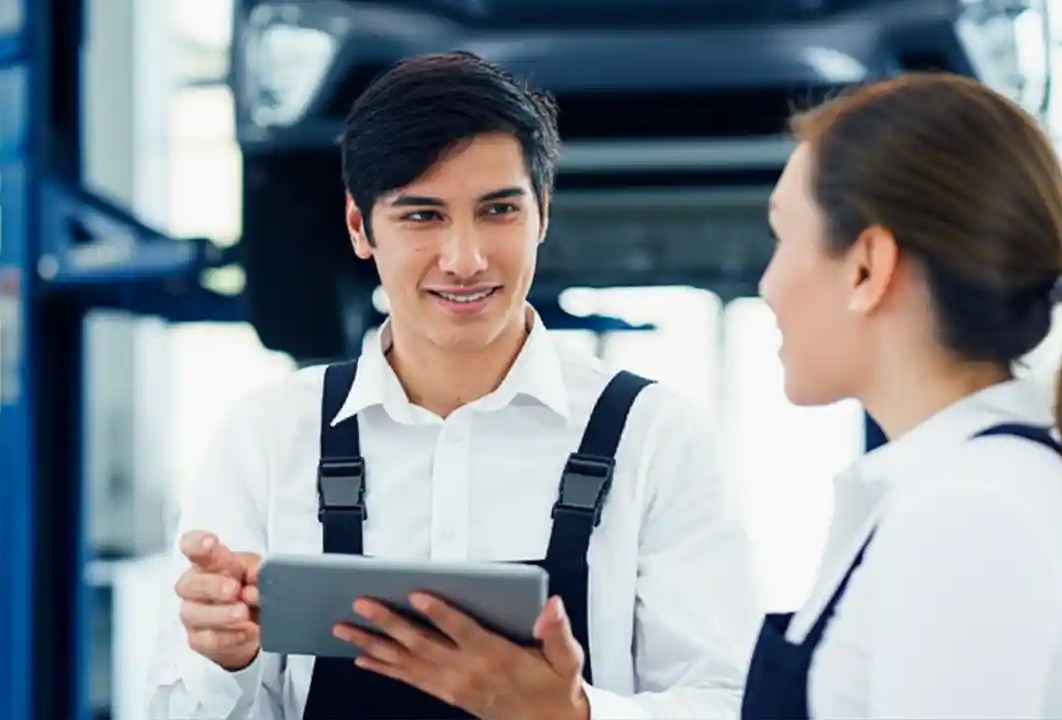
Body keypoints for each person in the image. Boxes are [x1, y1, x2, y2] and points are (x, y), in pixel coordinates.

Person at [145, 51, 762, 720]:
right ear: (359, 227)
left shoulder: (654, 436)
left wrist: (576, 714)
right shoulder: (269, 436)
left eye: (498, 210)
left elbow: (729, 704)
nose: (465, 260)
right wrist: (224, 662)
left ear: (542, 215)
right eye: (422, 216)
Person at [741, 72, 1062, 719]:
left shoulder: (972, 511)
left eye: (782, 238)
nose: (767, 285)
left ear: (867, 267)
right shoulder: (971, 490)